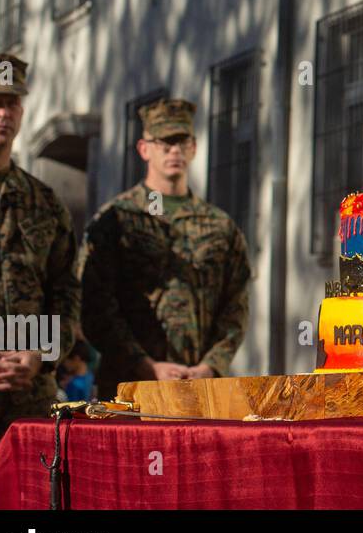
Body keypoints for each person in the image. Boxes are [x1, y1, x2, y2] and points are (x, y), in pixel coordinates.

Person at [0, 54, 79, 508]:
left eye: (11, 102)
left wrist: (42, 353)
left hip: (27, 404)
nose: (2, 113)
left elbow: (66, 291)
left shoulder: (42, 201)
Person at [79, 98, 251, 399]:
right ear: (144, 148)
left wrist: (211, 366)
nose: (174, 150)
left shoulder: (219, 225)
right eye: (164, 142)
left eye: (182, 141)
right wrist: (145, 365)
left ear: (194, 147)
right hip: (130, 388)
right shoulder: (116, 220)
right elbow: (95, 307)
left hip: (200, 390)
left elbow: (235, 306)